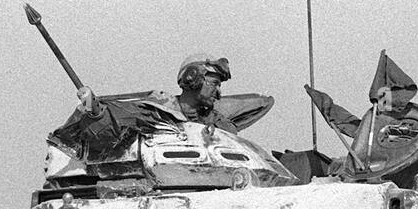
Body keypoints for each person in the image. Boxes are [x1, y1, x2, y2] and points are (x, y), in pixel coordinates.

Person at [52, 54, 263, 160]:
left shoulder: (218, 123)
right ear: (194, 78)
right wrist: (94, 110)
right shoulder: (156, 112)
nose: (218, 92)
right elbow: (114, 125)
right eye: (214, 83)